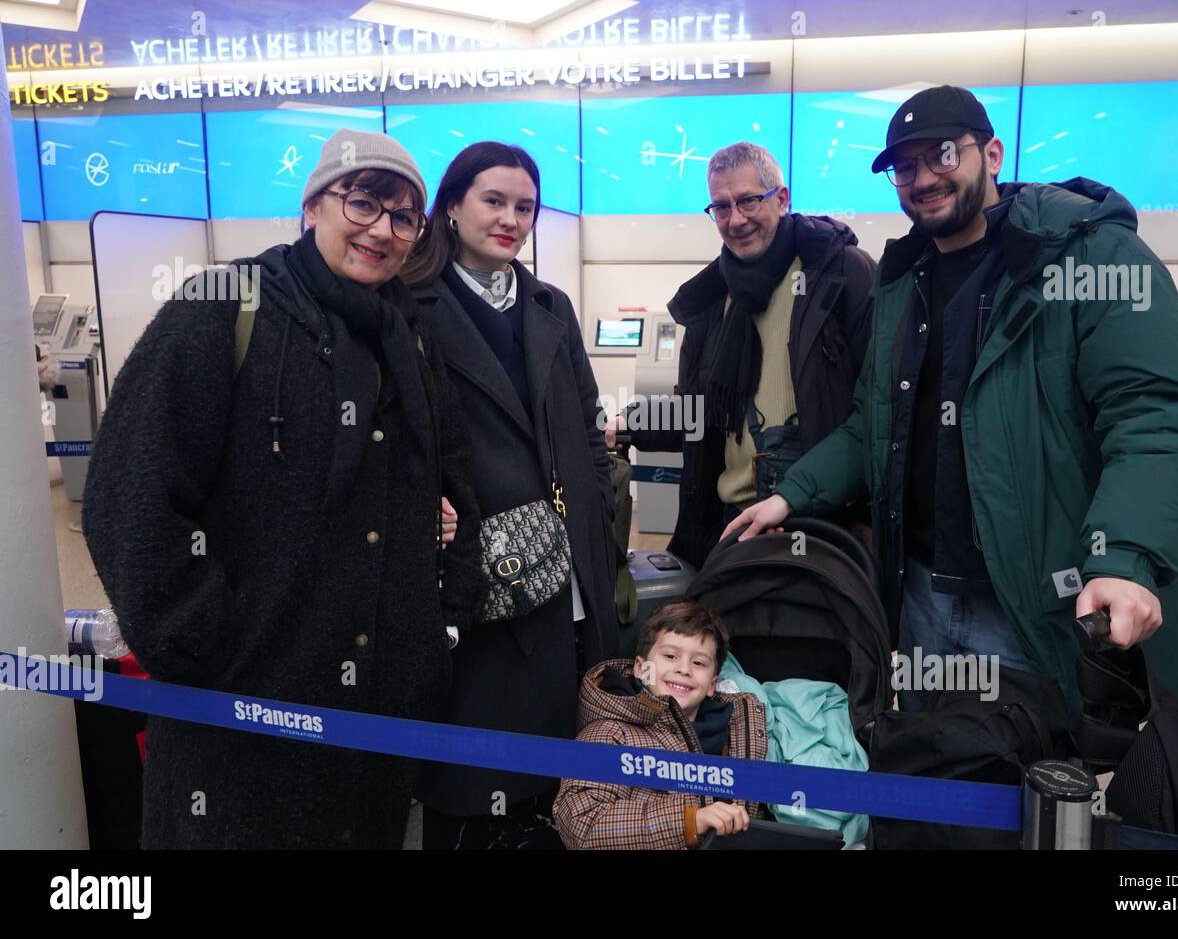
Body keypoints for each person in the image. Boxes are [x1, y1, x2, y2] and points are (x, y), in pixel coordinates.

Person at [727, 86, 1178, 710]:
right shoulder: (901, 280)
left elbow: (1162, 416)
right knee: (938, 763)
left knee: (1032, 782)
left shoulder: (1088, 256)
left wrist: (1122, 558)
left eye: (942, 154)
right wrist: (791, 495)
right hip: (920, 594)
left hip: (1036, 599)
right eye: (903, 167)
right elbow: (870, 425)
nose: (923, 178)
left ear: (991, 154)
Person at [81, 129, 484, 848]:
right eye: (362, 203)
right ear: (313, 206)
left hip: (375, 719)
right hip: (243, 711)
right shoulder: (224, 307)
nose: (380, 231)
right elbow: (129, 496)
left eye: (402, 217)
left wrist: (438, 621)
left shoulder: (406, 334)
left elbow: (451, 473)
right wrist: (202, 644)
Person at [404, 141, 618, 849]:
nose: (510, 219)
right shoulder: (411, 307)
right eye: (493, 201)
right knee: (484, 762)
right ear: (453, 204)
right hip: (487, 567)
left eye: (524, 207)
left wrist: (597, 512)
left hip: (574, 558)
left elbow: (587, 428)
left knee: (570, 753)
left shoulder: (550, 306)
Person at [607, 141, 876, 570]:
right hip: (729, 526)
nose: (736, 220)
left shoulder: (841, 275)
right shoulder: (713, 297)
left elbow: (874, 414)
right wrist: (628, 423)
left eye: (749, 200)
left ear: (781, 198)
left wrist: (803, 498)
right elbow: (699, 412)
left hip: (823, 527)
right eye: (721, 207)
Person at [553, 600, 767, 849]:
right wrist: (689, 821)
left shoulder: (737, 727)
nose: (684, 669)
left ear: (712, 684)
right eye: (670, 656)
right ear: (641, 669)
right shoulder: (608, 735)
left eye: (698, 663)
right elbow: (581, 826)